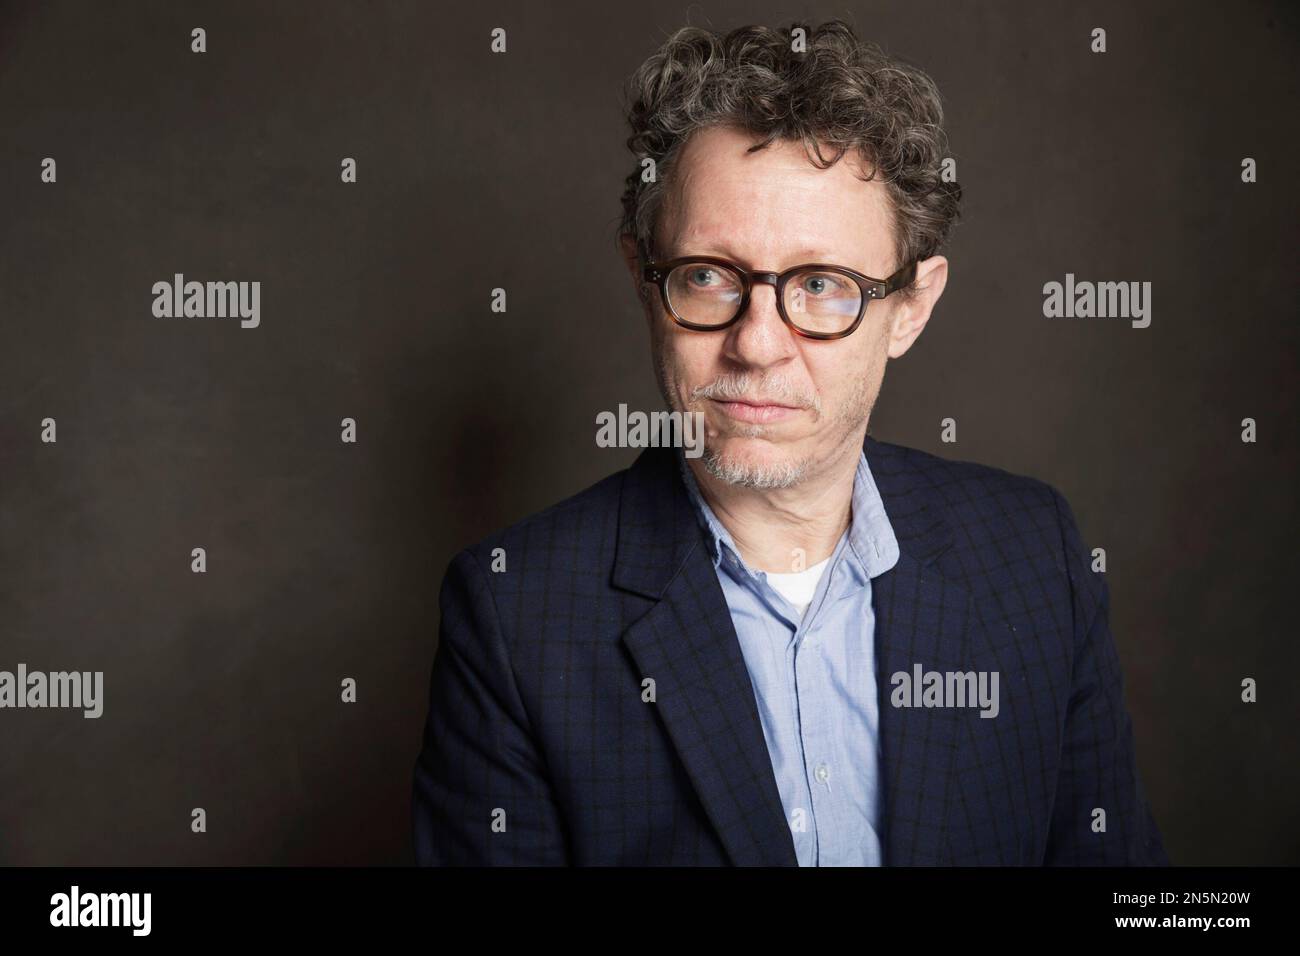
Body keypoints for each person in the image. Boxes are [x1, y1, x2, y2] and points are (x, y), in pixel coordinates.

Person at [412, 19, 1167, 866]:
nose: (758, 344)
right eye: (708, 275)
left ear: (910, 309)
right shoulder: (516, 615)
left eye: (821, 285)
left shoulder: (1036, 556)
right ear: (643, 277)